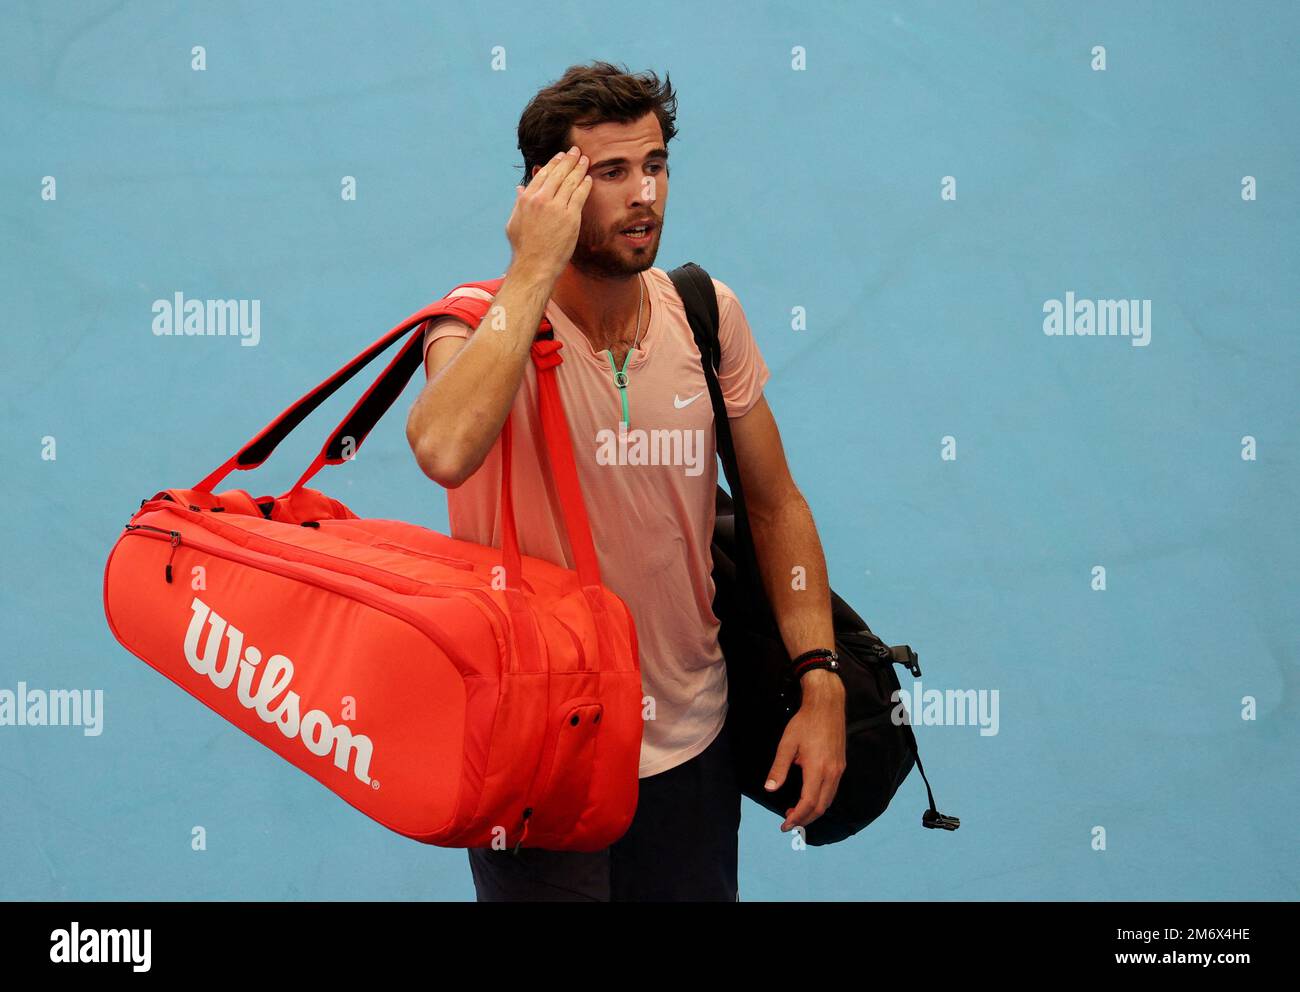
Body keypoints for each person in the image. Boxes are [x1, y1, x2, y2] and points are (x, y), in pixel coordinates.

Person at [406, 61, 845, 901]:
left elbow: (774, 502)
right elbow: (443, 447)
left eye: (654, 165)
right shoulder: (474, 321)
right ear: (550, 192)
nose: (644, 194)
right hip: (541, 758)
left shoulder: (704, 313)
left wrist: (818, 676)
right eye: (610, 174)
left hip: (691, 748)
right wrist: (532, 271)